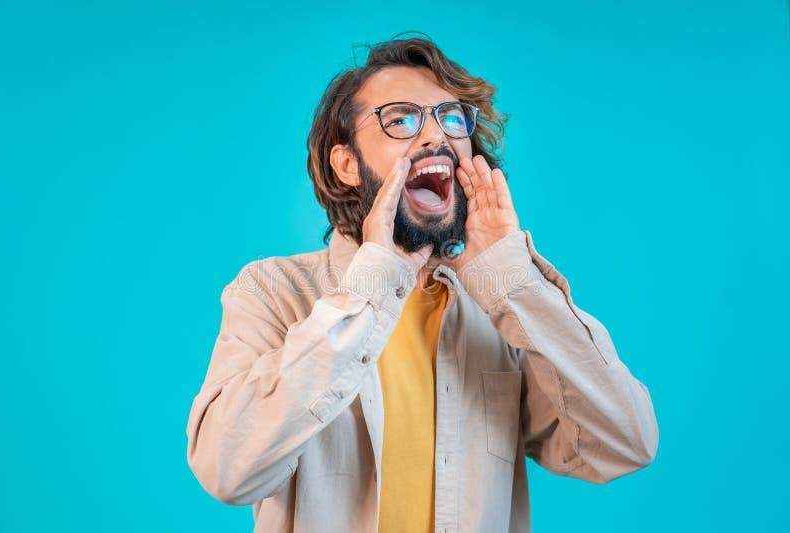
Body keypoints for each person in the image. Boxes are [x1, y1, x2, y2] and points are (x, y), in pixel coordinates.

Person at [185, 36, 658, 533]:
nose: (436, 136)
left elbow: (625, 444)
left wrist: (514, 281)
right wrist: (374, 280)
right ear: (347, 165)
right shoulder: (271, 292)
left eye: (452, 118)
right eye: (402, 118)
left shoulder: (499, 311)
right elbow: (227, 470)